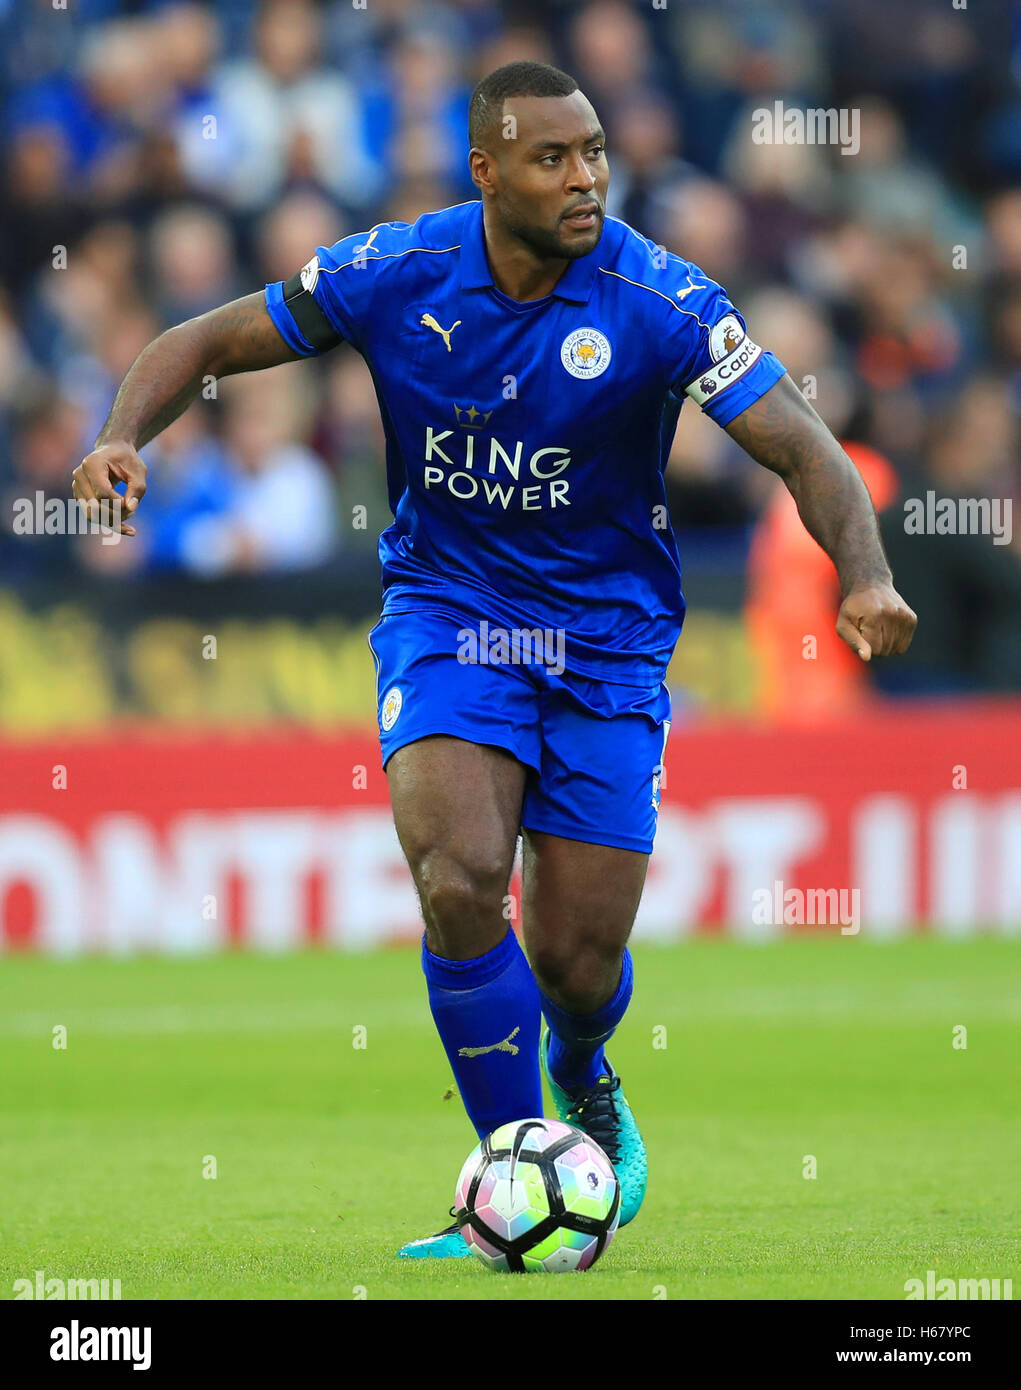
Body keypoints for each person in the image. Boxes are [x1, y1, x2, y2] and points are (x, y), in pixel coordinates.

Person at [72, 61, 917, 1259]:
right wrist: (116, 433)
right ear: (485, 171)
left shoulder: (658, 296)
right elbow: (207, 337)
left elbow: (808, 450)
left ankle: (584, 1070)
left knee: (577, 959)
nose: (584, 179)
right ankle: (513, 1175)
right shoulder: (394, 272)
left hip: (610, 642)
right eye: (551, 158)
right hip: (449, 611)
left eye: (594, 155)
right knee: (460, 876)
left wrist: (868, 572)